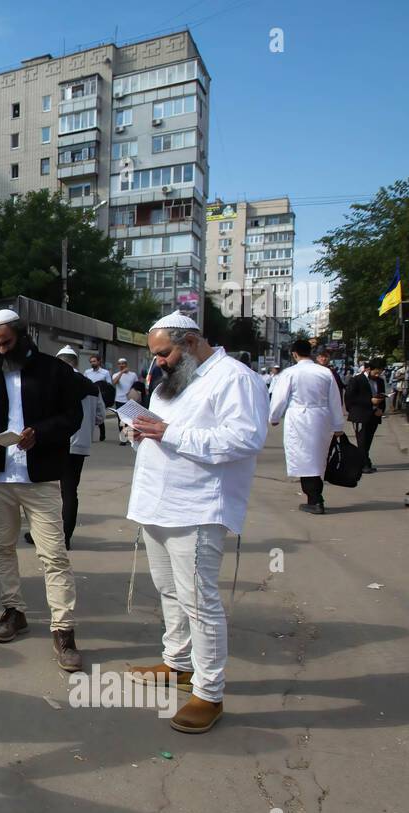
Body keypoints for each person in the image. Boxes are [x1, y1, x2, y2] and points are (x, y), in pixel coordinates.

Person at [126, 312, 269, 734]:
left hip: (198, 508)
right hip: (156, 503)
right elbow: (160, 432)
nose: (158, 364)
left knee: (199, 602)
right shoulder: (170, 381)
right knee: (169, 590)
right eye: (155, 356)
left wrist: (167, 432)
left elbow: (244, 439)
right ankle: (179, 662)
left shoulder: (234, 378)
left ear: (189, 342)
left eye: (164, 354)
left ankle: (209, 692)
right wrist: (140, 433)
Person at [0, 311, 84, 660]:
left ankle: (63, 630)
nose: (0, 350)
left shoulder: (54, 371)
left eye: (6, 342)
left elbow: (72, 417)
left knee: (54, 556)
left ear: (22, 335)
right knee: (2, 549)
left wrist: (41, 433)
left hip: (42, 478)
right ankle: (13, 611)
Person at [269, 338, 345, 514]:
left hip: (299, 417)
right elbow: (335, 400)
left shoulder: (290, 373)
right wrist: (338, 425)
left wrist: (274, 417)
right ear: (310, 353)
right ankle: (315, 496)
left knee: (303, 457)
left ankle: (315, 499)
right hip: (321, 417)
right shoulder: (325, 373)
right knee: (318, 458)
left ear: (294, 354)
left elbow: (279, 398)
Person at [56, 346, 103, 549]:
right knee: (69, 491)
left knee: (46, 491)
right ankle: (65, 537)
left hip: (56, 442)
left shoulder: (55, 383)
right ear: (76, 363)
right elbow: (100, 416)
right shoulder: (91, 386)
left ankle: (45, 534)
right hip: (80, 446)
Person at [345, 358, 387, 473]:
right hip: (360, 415)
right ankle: (363, 464)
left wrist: (380, 409)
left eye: (380, 372)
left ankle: (365, 461)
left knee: (368, 441)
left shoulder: (380, 381)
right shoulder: (357, 380)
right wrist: (370, 401)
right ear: (368, 369)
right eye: (376, 372)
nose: (378, 375)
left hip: (374, 415)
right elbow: (350, 398)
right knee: (362, 440)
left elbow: (382, 397)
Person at [83, 355, 113, 440]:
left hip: (101, 397)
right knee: (89, 416)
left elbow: (109, 385)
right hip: (90, 396)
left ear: (99, 362)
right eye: (91, 362)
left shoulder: (105, 373)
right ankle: (89, 436)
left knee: (100, 414)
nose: (93, 363)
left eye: (94, 361)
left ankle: (102, 434)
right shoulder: (87, 372)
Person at [112, 357, 138, 446]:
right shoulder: (116, 375)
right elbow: (114, 382)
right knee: (121, 420)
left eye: (123, 363)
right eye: (120, 364)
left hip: (130, 400)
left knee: (129, 420)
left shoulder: (133, 375)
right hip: (119, 400)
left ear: (126, 364)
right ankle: (123, 439)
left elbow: (136, 386)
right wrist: (121, 373)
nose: (121, 365)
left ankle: (129, 438)